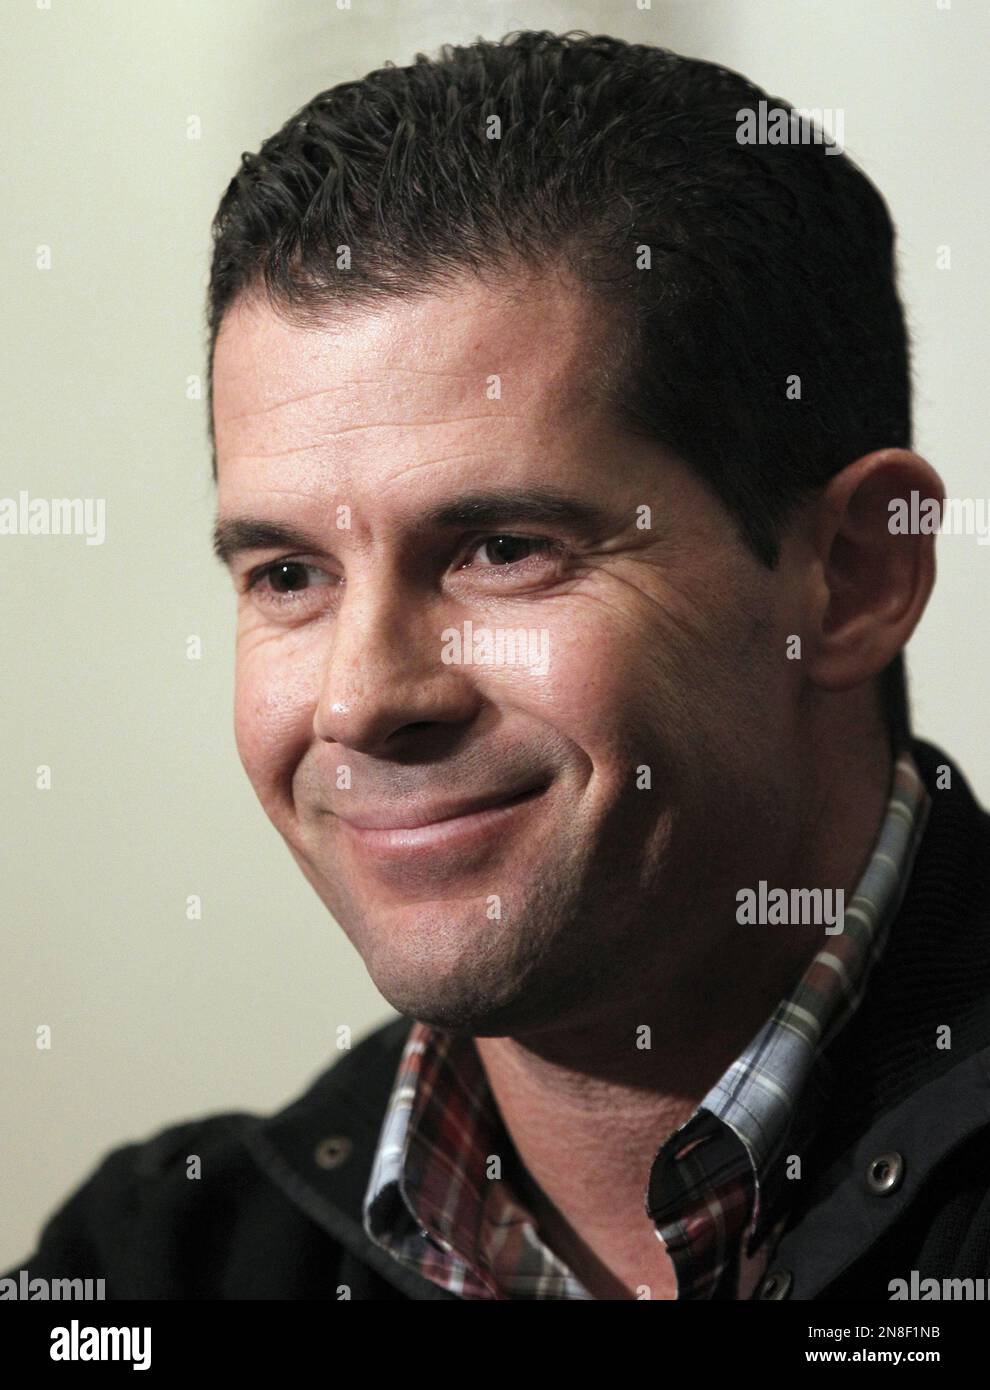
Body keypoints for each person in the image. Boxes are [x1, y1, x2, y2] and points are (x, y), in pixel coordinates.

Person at [8, 29, 990, 1302]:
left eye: (502, 549)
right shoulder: (149, 1271)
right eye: (289, 575)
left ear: (854, 575)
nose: (361, 699)